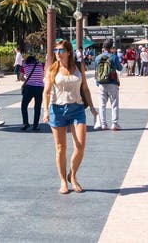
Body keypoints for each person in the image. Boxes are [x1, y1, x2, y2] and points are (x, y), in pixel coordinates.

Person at [42, 38, 97, 194]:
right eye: (56, 51)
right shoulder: (51, 69)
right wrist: (45, 111)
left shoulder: (78, 67)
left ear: (68, 52)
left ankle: (72, 175)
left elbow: (85, 89)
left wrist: (92, 107)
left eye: (61, 51)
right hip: (57, 109)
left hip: (77, 108)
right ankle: (62, 181)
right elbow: (46, 92)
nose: (58, 54)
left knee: (80, 146)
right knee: (61, 148)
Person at [94, 39, 123, 131]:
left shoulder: (98, 57)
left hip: (101, 83)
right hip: (112, 82)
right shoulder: (113, 57)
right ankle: (114, 124)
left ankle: (103, 124)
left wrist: (97, 82)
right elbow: (120, 68)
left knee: (102, 104)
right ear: (111, 47)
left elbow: (96, 70)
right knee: (114, 104)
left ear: (103, 47)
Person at [20, 54, 45, 131]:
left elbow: (20, 77)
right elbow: (43, 75)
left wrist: (27, 80)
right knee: (37, 107)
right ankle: (36, 125)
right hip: (40, 88)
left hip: (29, 88)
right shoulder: (41, 65)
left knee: (24, 105)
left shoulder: (24, 66)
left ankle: (25, 123)